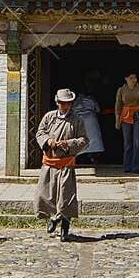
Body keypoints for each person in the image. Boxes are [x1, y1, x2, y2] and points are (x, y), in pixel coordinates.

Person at [37, 88, 88, 239]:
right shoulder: (49, 117)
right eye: (63, 103)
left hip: (66, 165)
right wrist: (49, 141)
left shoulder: (77, 120)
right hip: (49, 164)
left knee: (66, 197)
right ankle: (52, 218)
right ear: (57, 103)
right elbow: (40, 133)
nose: (66, 106)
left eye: (68, 103)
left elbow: (84, 140)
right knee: (45, 194)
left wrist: (68, 144)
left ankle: (65, 229)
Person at [115, 72, 139, 173]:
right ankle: (127, 166)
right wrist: (117, 120)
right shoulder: (121, 90)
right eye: (131, 78)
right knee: (127, 143)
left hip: (138, 115)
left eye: (135, 78)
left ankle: (136, 167)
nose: (133, 80)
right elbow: (118, 105)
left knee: (137, 142)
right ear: (126, 78)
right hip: (125, 116)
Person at [72, 86, 105, 165]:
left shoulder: (75, 101)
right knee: (94, 141)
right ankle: (92, 158)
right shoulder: (91, 99)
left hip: (79, 120)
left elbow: (71, 110)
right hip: (91, 119)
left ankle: (82, 158)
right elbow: (98, 109)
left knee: (80, 140)